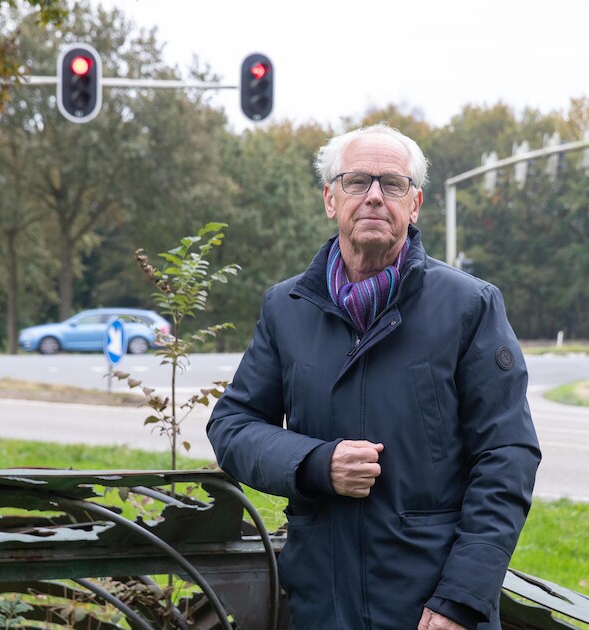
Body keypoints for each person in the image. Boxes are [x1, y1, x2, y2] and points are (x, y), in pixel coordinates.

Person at [207, 123, 541, 630]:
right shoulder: (286, 307)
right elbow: (232, 425)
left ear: (415, 203)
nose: (374, 197)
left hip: (433, 610)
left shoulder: (469, 306)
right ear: (329, 198)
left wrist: (462, 598)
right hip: (323, 602)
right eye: (357, 181)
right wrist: (316, 462)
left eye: (393, 184)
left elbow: (507, 456)